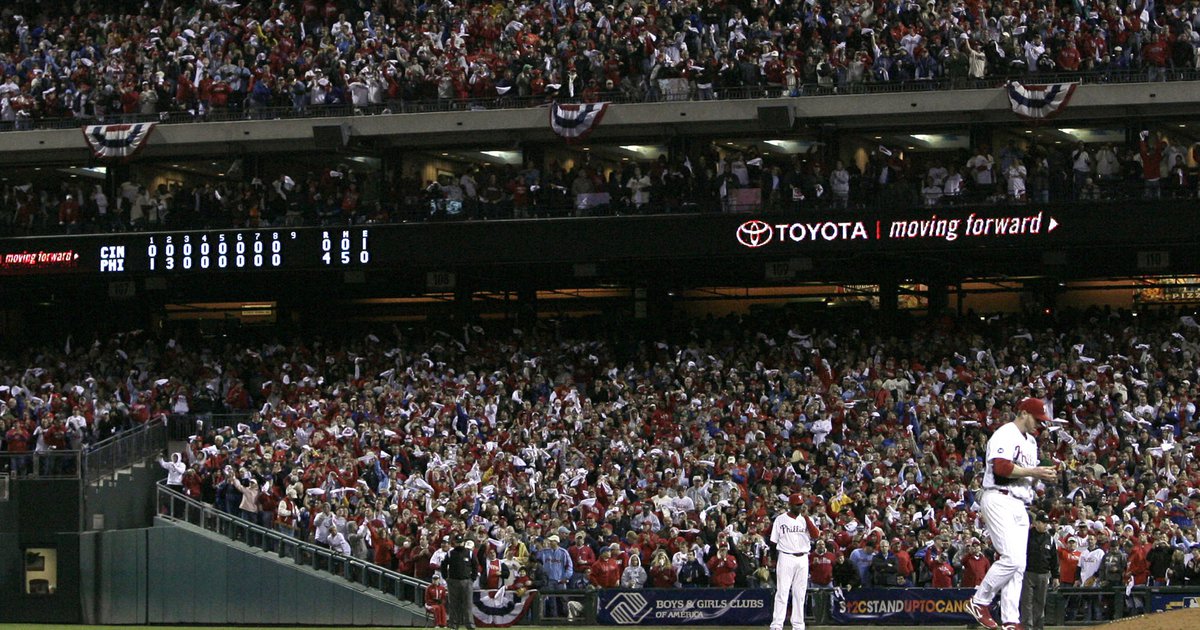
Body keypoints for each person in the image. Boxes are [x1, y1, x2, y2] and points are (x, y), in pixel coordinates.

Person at [966, 397, 1058, 630]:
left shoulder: (1032, 443)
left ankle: (1010, 620)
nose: (1040, 424)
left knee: (1019, 566)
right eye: (1037, 419)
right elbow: (1001, 468)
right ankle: (979, 601)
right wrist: (1034, 470)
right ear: (1024, 413)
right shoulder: (1005, 433)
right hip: (998, 497)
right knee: (1012, 559)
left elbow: (1025, 475)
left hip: (1019, 503)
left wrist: (1042, 474)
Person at [770, 493, 820, 630]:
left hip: (803, 558)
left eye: (801, 504)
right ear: (790, 505)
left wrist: (806, 518)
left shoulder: (806, 519)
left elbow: (816, 535)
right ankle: (777, 625)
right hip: (786, 557)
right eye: (797, 505)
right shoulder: (780, 520)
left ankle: (798, 625)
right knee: (782, 592)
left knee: (800, 593)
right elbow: (773, 542)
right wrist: (773, 559)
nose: (800, 506)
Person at [1021, 509, 1058, 630]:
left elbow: (1054, 559)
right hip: (1028, 573)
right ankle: (1027, 627)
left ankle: (1038, 626)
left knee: (1040, 602)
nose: (1045, 525)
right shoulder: (1026, 536)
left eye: (1046, 523)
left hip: (1044, 574)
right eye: (1043, 522)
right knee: (1027, 602)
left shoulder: (1050, 538)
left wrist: (1056, 576)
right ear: (1036, 523)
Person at [446, 538, 479, 630]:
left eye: (461, 542)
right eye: (458, 542)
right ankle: (453, 625)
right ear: (455, 543)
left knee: (468, 604)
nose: (459, 544)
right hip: (453, 581)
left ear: (463, 543)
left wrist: (472, 578)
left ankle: (470, 625)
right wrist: (446, 577)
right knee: (453, 604)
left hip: (466, 581)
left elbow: (475, 565)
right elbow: (443, 565)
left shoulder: (470, 553)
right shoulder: (450, 553)